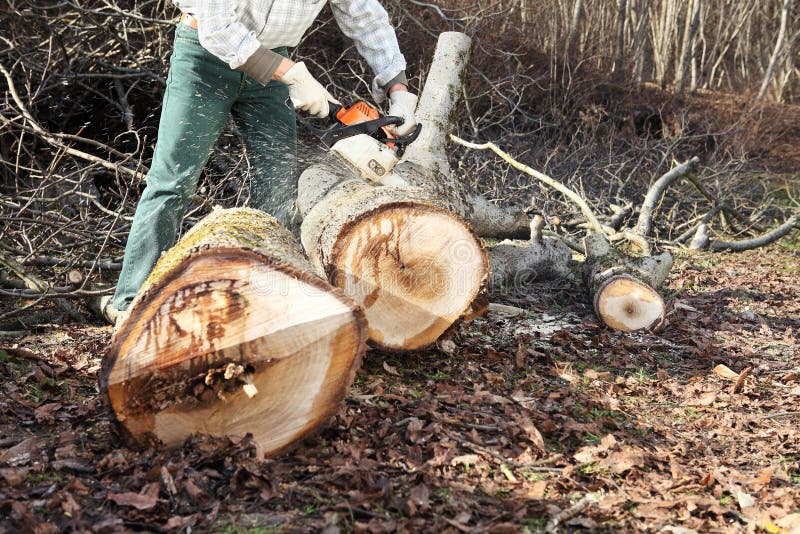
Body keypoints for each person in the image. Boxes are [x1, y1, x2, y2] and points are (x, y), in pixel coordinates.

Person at [103, 0, 418, 323]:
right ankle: (130, 302)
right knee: (173, 182)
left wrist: (398, 87)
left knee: (278, 188)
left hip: (273, 64)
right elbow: (217, 28)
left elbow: (364, 15)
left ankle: (266, 303)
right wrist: (291, 73)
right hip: (204, 57)